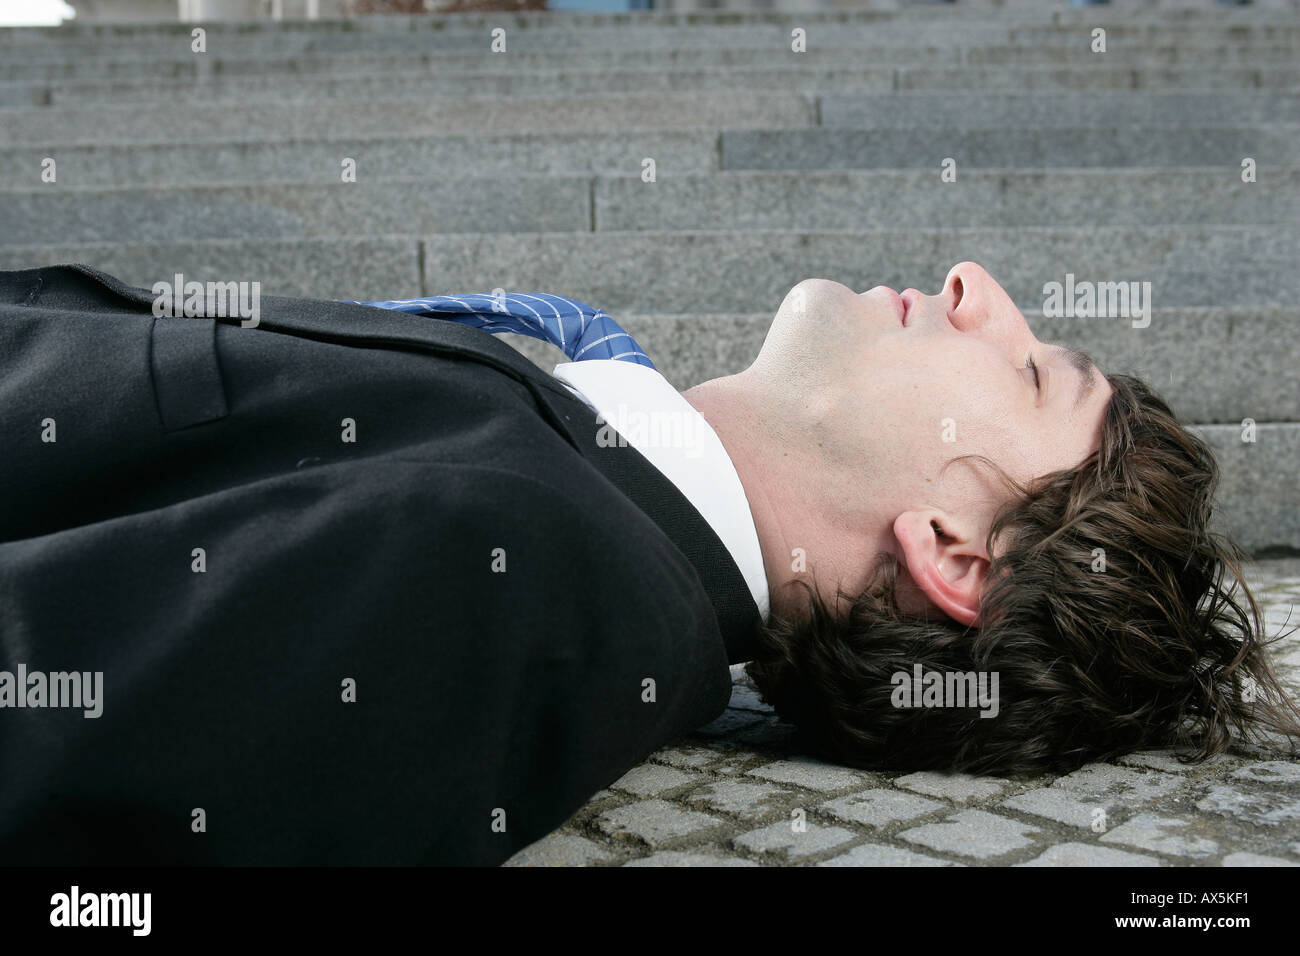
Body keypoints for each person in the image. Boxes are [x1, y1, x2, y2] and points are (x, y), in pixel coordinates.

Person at [0, 260, 1293, 866]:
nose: (973, 283)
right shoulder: (578, 494)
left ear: (953, 552)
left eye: (1024, 368)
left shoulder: (523, 579)